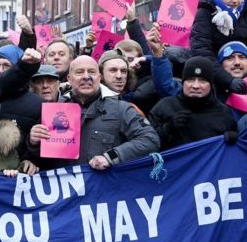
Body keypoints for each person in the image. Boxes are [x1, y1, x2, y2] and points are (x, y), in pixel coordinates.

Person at [29, 55, 159, 170]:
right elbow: (44, 162)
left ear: (99, 77)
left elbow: (150, 140)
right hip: (69, 194)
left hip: (104, 193)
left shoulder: (121, 109)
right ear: (69, 78)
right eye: (79, 72)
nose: (86, 77)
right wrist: (34, 143)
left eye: (91, 71)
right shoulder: (54, 112)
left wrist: (111, 157)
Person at [148, 56, 238, 150]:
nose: (195, 86)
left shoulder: (223, 113)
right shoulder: (165, 106)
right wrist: (167, 129)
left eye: (202, 80)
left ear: (211, 85)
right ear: (183, 82)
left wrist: (234, 140)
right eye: (190, 79)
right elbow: (146, 143)